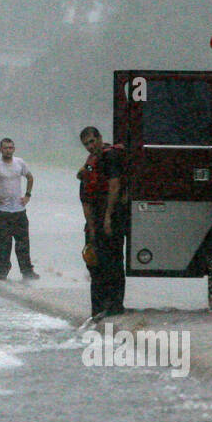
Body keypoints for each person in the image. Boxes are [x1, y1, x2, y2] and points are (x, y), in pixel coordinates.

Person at [78, 126, 127, 318]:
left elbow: (114, 187)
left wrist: (108, 217)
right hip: (94, 218)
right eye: (86, 144)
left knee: (113, 262)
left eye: (92, 141)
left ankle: (114, 306)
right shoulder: (91, 162)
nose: (90, 146)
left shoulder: (111, 157)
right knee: (95, 262)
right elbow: (85, 196)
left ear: (99, 138)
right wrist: (91, 227)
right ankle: (98, 308)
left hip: (111, 216)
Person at [0, 138, 38, 281]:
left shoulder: (20, 163)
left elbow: (30, 177)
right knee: (4, 243)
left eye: (10, 148)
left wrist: (27, 195)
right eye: (5, 148)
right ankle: (2, 270)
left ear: (14, 149)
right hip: (3, 211)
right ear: (0, 150)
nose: (8, 150)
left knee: (23, 242)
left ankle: (27, 270)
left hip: (19, 210)